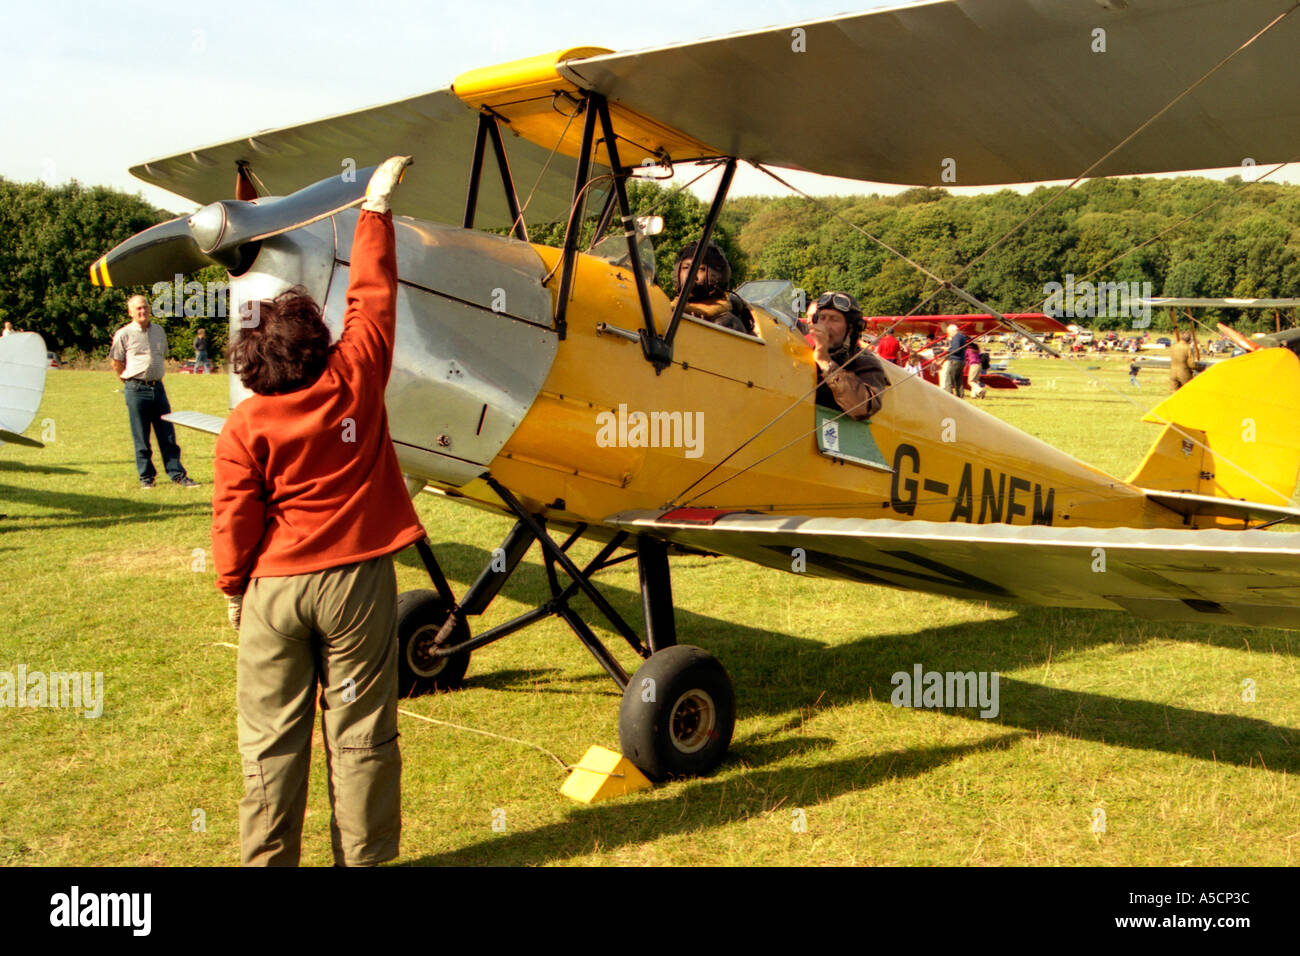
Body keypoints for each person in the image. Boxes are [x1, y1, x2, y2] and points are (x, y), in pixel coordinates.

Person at [212, 157, 428, 867]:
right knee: (362, 734)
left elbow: (234, 519)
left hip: (273, 592)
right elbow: (372, 296)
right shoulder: (355, 376)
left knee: (269, 746)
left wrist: (234, 590)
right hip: (356, 586)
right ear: (316, 343)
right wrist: (375, 210)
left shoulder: (244, 426)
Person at [109, 295, 199, 489]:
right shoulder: (123, 334)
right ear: (130, 312)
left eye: (145, 307)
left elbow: (161, 355)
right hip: (136, 389)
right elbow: (116, 361)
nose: (142, 311)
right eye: (138, 308)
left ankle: (177, 474)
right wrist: (127, 380)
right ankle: (146, 478)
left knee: (167, 434)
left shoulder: (159, 331)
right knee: (141, 436)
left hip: (158, 388)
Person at [807, 292, 890, 421]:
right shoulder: (804, 348)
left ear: (851, 328)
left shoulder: (865, 362)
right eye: (822, 318)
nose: (825, 325)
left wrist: (825, 362)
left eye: (834, 319)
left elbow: (863, 408)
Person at [671, 240, 754, 335]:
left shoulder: (726, 323)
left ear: (716, 275)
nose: (690, 274)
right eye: (686, 267)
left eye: (700, 269)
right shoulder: (669, 312)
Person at [942, 323, 968, 398]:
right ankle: (960, 396)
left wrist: (947, 349)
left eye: (949, 332)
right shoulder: (962, 336)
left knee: (949, 378)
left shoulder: (956, 337)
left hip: (955, 360)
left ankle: (948, 395)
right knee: (958, 380)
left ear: (952, 331)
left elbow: (956, 349)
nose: (949, 334)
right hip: (961, 360)